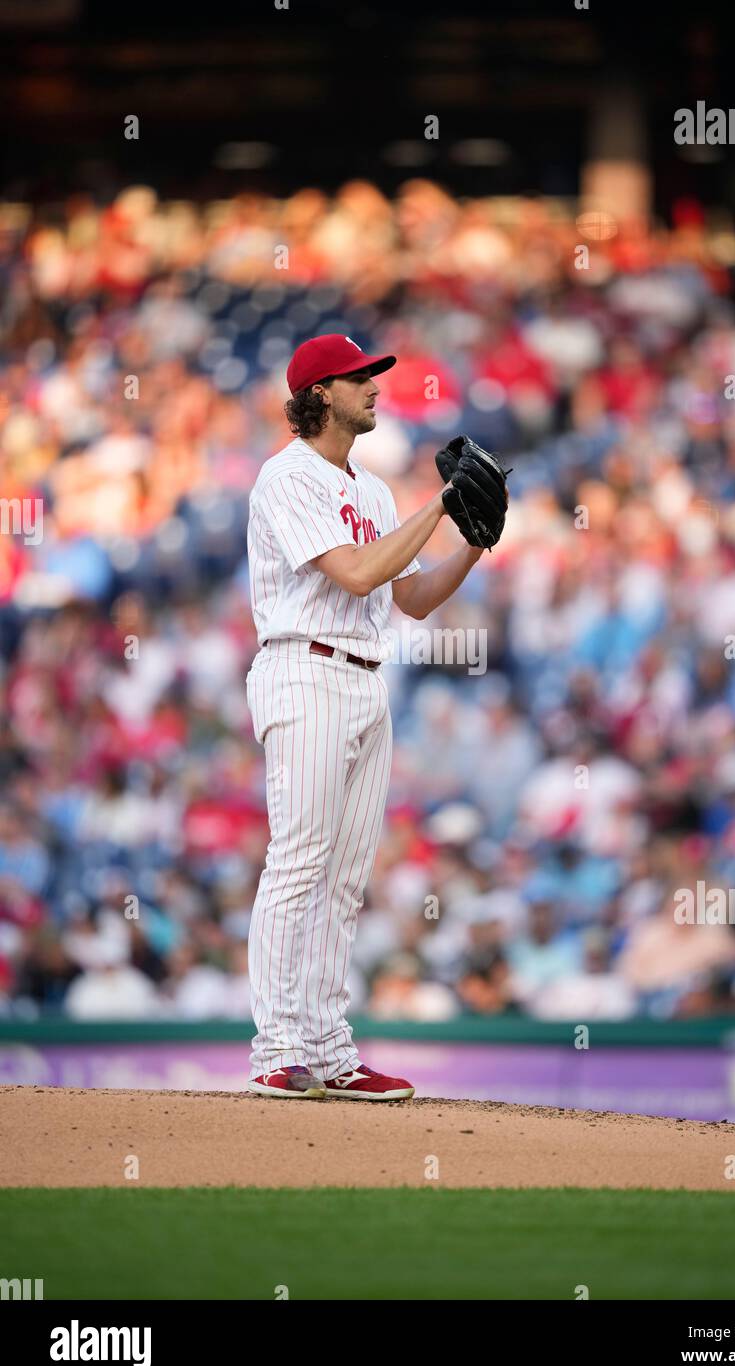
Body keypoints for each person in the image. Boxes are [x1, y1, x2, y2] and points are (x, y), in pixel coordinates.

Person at [245, 334, 493, 1099]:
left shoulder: (376, 490)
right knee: (300, 859)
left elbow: (410, 598)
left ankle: (329, 1049)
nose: (376, 387)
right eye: (360, 378)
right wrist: (445, 504)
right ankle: (277, 1049)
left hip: (364, 675)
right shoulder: (285, 476)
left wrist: (475, 544)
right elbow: (355, 573)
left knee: (347, 877)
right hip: (303, 668)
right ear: (320, 393)